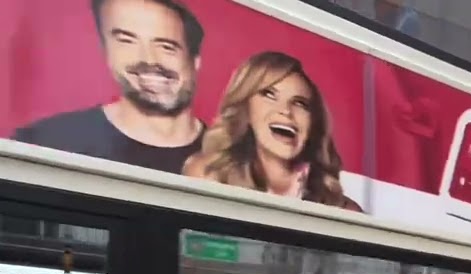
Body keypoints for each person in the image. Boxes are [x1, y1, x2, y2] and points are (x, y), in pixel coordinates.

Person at [13, 0, 206, 174]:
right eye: (127, 41)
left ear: (195, 61)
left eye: (166, 46)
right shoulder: (45, 143)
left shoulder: (221, 160)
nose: (149, 59)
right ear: (106, 50)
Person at [183, 51, 362, 210]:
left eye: (300, 103)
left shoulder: (344, 209)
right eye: (269, 94)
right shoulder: (208, 174)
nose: (285, 111)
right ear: (246, 108)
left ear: (313, 122)